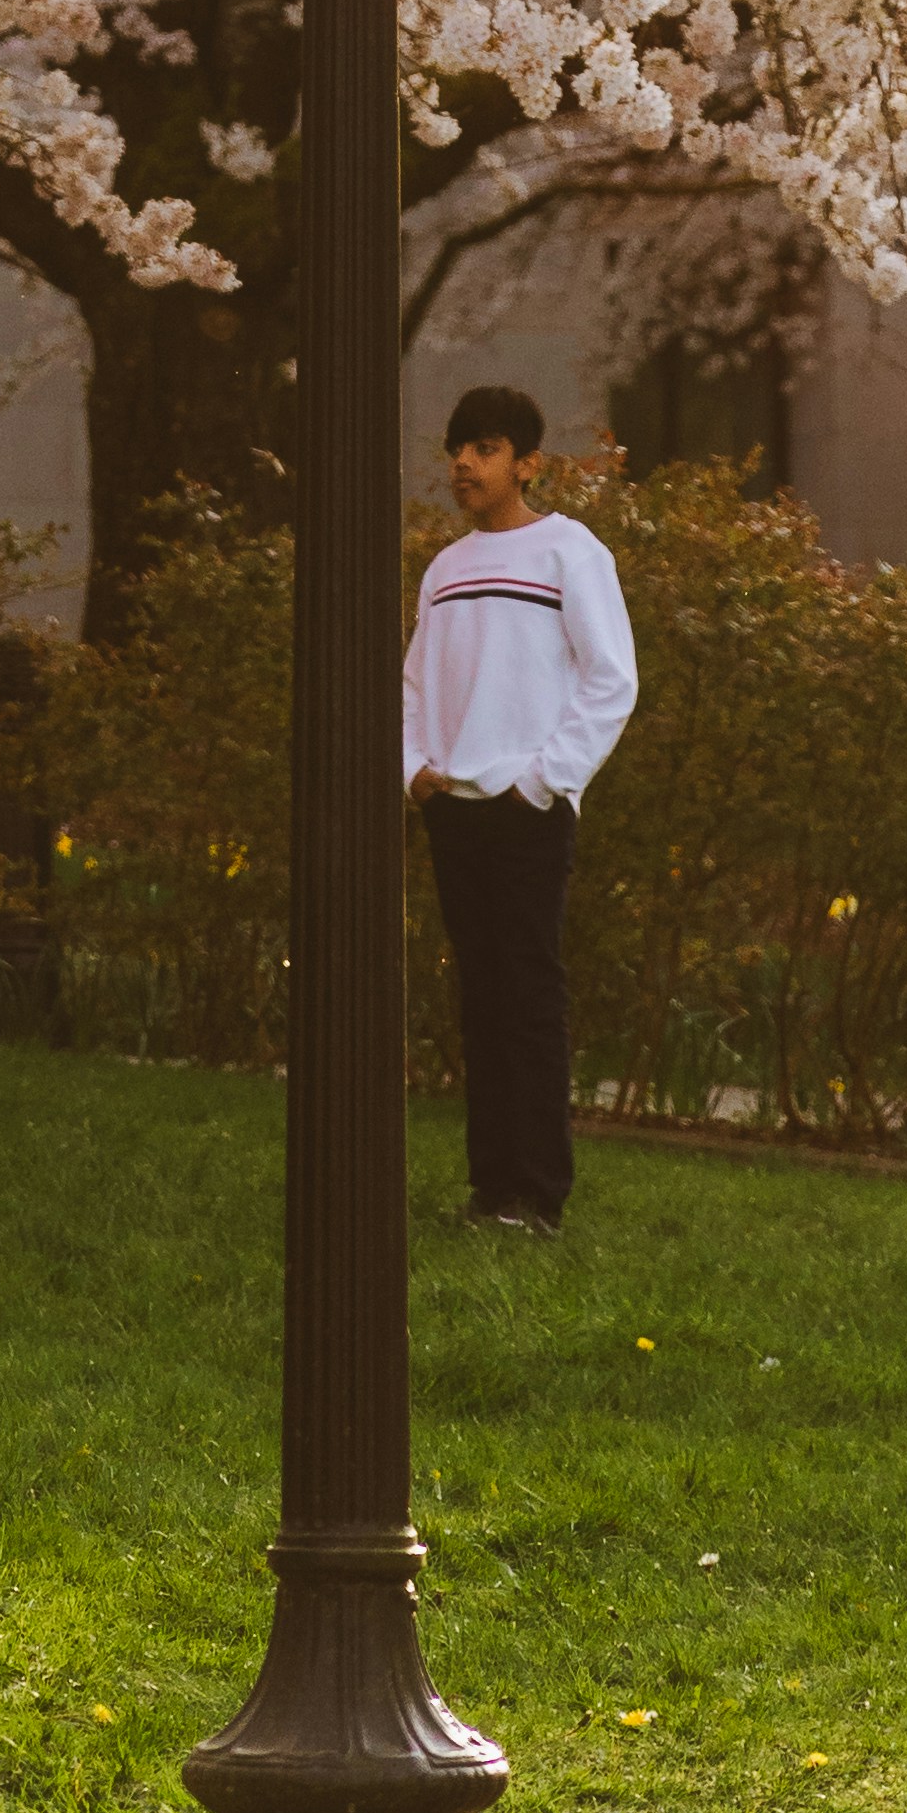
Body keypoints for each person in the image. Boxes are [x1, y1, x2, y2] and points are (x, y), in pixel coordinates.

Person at [403, 385, 639, 1233]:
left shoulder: (571, 555)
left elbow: (612, 680)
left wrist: (544, 780)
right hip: (454, 810)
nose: (465, 463)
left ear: (528, 465)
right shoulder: (445, 568)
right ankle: (489, 1188)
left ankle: (537, 1196)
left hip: (527, 810)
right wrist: (415, 771)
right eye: (458, 448)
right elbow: (416, 682)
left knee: (529, 997)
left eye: (487, 448)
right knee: (480, 999)